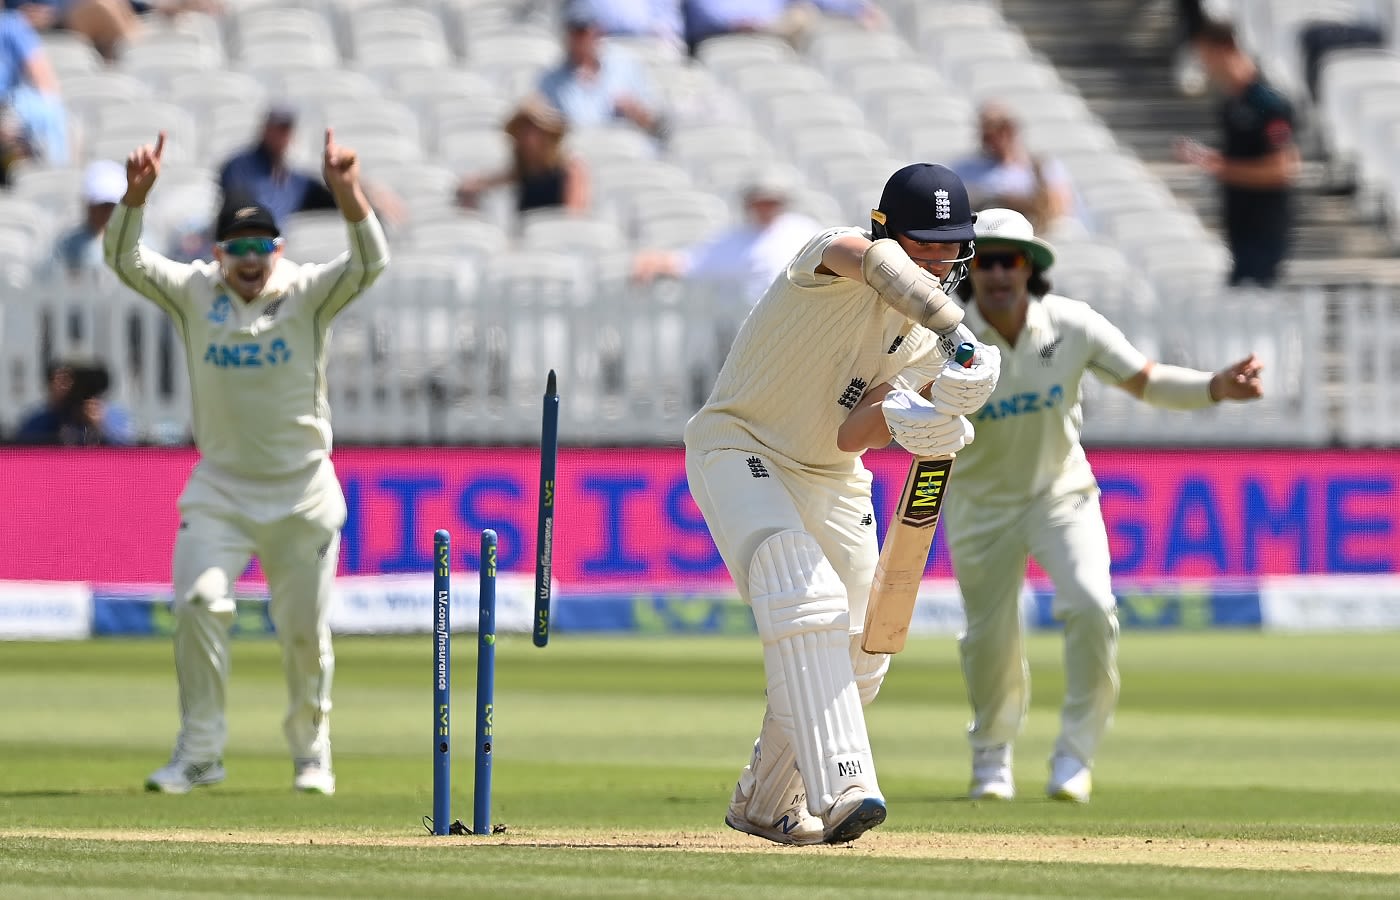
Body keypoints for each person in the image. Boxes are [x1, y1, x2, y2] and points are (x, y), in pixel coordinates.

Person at [684, 163, 1001, 845]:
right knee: (805, 597)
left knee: (862, 650)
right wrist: (955, 328)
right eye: (929, 247)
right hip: (741, 444)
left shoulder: (929, 341)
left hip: (830, 473)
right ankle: (846, 785)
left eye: (953, 248)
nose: (943, 262)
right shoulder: (830, 254)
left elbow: (851, 431)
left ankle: (768, 803)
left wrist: (933, 410)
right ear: (888, 232)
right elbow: (871, 260)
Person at [927, 208, 1261, 804]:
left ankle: (1073, 757)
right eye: (985, 260)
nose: (998, 273)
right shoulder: (945, 340)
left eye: (1010, 260)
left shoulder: (1070, 324)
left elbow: (1146, 380)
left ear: (1030, 267)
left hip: (1062, 495)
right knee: (990, 639)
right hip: (980, 506)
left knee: (1090, 605)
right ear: (969, 269)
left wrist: (1216, 386)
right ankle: (991, 760)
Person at [105, 127, 390, 795]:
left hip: (303, 493)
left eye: (262, 247)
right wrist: (134, 199)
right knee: (200, 603)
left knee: (302, 635)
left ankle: (311, 753)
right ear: (218, 252)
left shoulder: (306, 291)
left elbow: (371, 265)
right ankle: (199, 753)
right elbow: (125, 262)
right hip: (221, 490)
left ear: (279, 248)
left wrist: (348, 192)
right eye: (238, 249)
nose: (251, 260)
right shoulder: (195, 291)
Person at [1173, 20, 1299, 288]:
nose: (1206, 67)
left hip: (1263, 230)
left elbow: (1283, 169)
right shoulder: (1231, 104)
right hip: (1240, 229)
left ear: (1225, 48)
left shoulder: (1267, 102)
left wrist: (1220, 167)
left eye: (1206, 57)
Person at [630, 169, 818, 308]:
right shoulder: (735, 239)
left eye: (771, 202)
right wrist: (653, 260)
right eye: (760, 202)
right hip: (757, 320)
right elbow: (691, 262)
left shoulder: (803, 230)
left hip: (802, 310)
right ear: (749, 204)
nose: (765, 208)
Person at [539, 1, 666, 139]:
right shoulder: (549, 81)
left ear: (598, 31)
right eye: (571, 30)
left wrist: (635, 111)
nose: (577, 38)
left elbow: (656, 124)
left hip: (624, 150)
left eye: (582, 30)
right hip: (578, 152)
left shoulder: (626, 65)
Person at [951, 102, 1075, 237]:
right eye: (989, 130)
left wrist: (1020, 202)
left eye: (1002, 128)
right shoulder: (965, 169)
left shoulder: (1041, 166)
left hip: (1033, 232)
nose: (997, 137)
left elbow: (1057, 208)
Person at [454, 94, 589, 216]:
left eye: (534, 130)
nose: (528, 138)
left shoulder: (570, 168)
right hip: (528, 238)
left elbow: (573, 214)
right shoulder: (525, 168)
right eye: (523, 130)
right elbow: (492, 180)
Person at [0, 0, 67, 181]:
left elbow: (45, 79)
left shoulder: (10, 25)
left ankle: (53, 176)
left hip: (5, 108)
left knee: (46, 112)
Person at [14, 357, 133, 445]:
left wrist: (100, 427)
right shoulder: (39, 421)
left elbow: (130, 454)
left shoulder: (113, 416)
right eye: (63, 381)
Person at [51, 159, 126, 280]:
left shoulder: (141, 243)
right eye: (100, 205)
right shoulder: (67, 244)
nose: (106, 212)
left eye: (111, 205)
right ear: (88, 204)